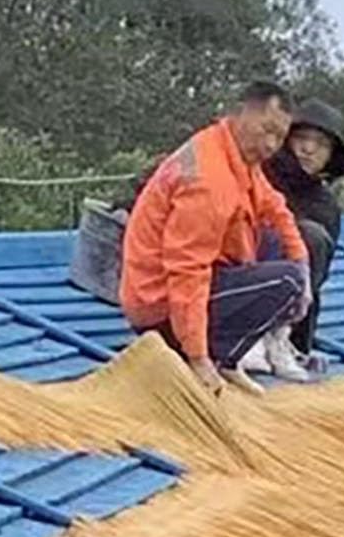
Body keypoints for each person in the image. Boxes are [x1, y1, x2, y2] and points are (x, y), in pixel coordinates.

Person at [119, 81, 314, 394]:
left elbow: (273, 204)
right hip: (161, 307)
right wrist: (198, 359)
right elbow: (186, 271)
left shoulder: (232, 152)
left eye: (279, 137)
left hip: (203, 278)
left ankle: (230, 353)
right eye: (266, 130)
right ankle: (208, 353)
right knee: (286, 283)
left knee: (289, 249)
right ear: (239, 115)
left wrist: (302, 261)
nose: (271, 145)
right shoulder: (209, 180)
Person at [258, 99, 344, 368]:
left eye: (321, 144)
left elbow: (314, 276)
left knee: (311, 238)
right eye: (301, 138)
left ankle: (284, 341)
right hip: (231, 280)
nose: (308, 149)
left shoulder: (324, 205)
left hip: (283, 299)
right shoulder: (255, 170)